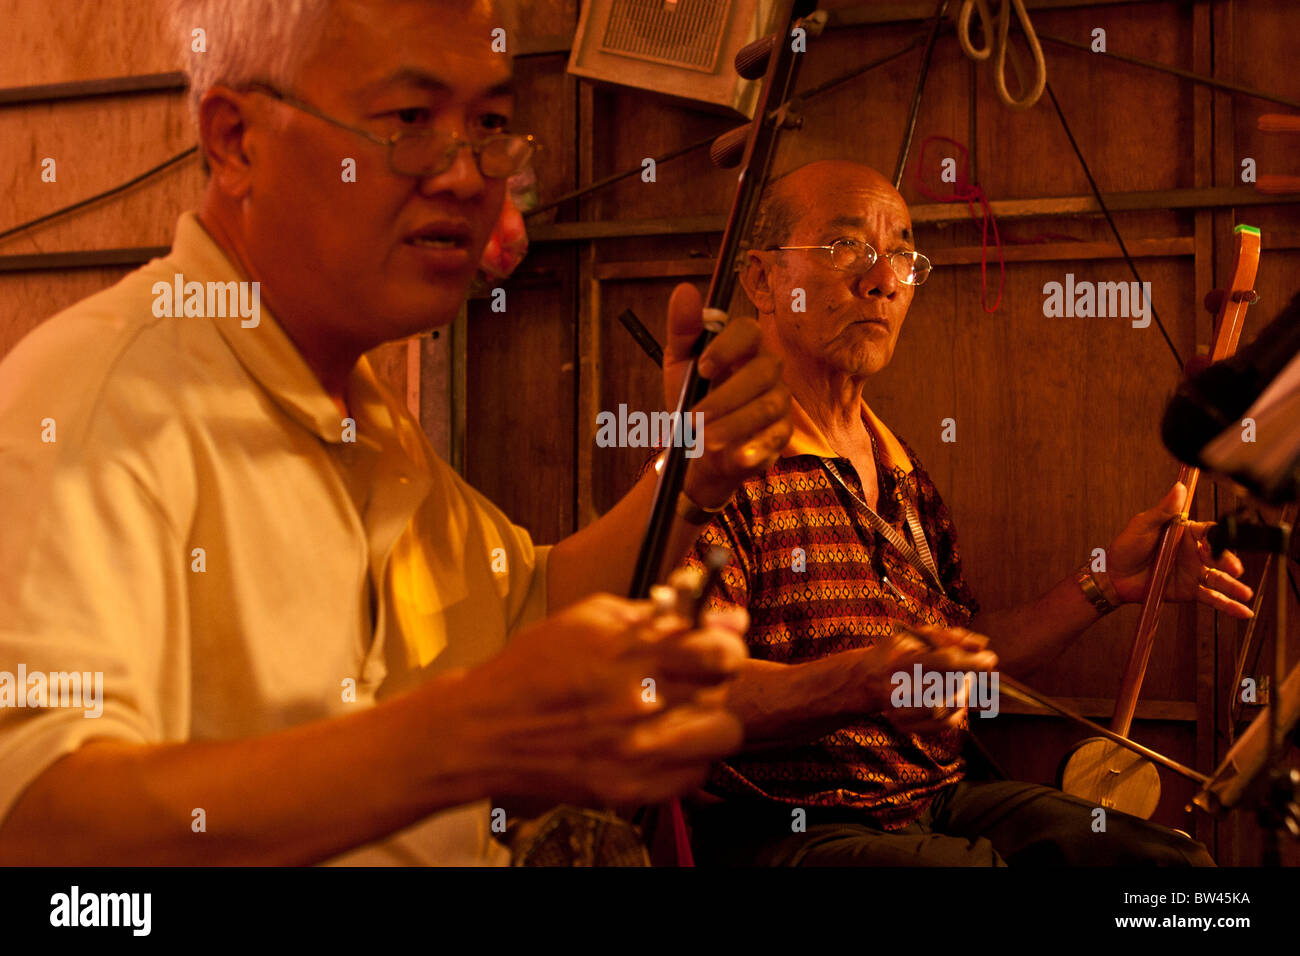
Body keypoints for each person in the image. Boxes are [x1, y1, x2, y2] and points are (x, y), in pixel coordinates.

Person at [0, 0, 797, 866]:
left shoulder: (365, 413)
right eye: (409, 120)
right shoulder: (98, 404)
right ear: (235, 141)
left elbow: (522, 613)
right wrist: (469, 735)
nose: (465, 175)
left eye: (490, 124)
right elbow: (40, 820)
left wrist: (689, 467)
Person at [683, 160, 1254, 866]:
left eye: (902, 255)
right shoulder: (720, 462)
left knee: (1177, 871)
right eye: (846, 248)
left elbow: (968, 657)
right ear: (761, 280)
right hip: (789, 824)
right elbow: (687, 696)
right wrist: (861, 681)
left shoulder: (899, 468)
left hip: (938, 795)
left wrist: (1109, 583)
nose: (884, 280)